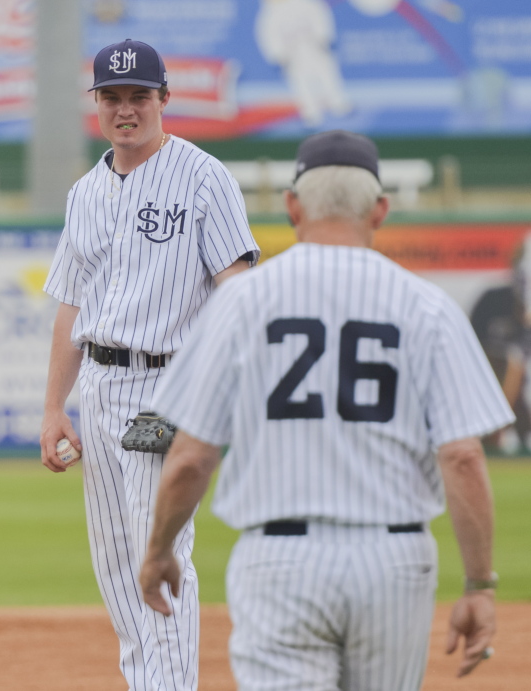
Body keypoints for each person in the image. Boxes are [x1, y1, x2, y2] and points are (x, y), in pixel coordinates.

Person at [140, 130, 511, 689]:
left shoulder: (242, 302)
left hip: (279, 561)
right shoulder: (427, 306)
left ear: (292, 205)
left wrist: (160, 549)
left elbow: (192, 457)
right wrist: (479, 585)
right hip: (394, 561)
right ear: (380, 210)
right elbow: (461, 455)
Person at [39, 39, 260, 690]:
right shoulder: (84, 193)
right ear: (96, 105)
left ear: (164, 99)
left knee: (157, 552)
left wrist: (210, 390)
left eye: (138, 95)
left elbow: (236, 289)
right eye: (112, 96)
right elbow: (71, 307)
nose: (125, 108)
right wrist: (54, 406)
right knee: (114, 564)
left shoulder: (202, 176)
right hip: (101, 386)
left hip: (169, 382)